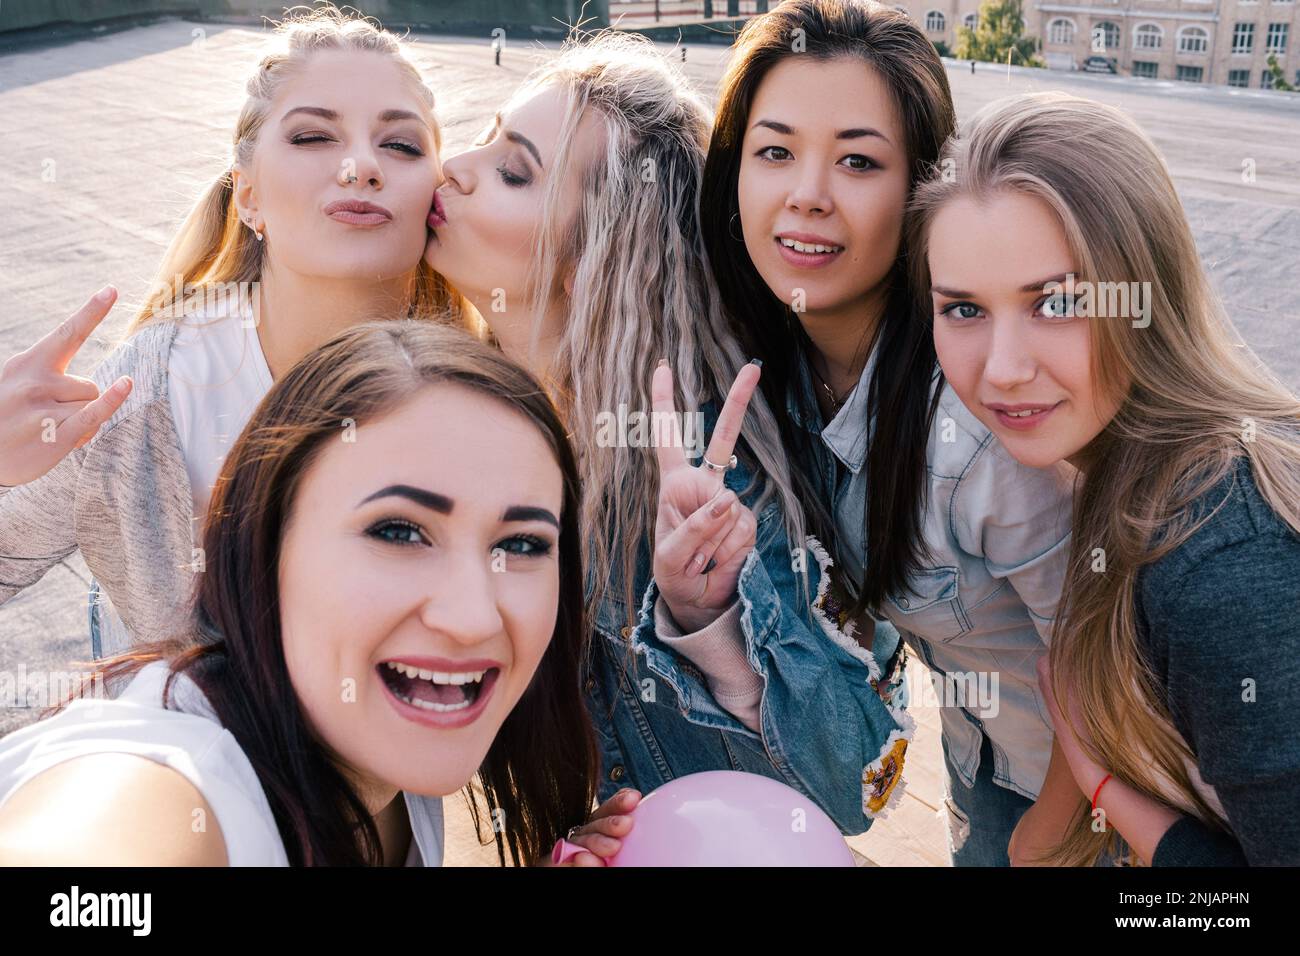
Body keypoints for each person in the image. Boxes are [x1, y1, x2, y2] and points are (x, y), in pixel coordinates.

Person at [423, 29, 911, 832]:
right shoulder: (481, 423)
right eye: (484, 140)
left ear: (592, 266)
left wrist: (707, 618)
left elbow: (850, 785)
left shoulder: (698, 482)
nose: (454, 170)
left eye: (512, 171)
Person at [0, 321, 637, 867]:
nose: (471, 616)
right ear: (266, 544)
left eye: (523, 544)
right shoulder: (163, 783)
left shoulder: (383, 763)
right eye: (398, 532)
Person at [697, 0, 1072, 865]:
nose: (807, 195)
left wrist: (1047, 844)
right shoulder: (770, 373)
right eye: (775, 151)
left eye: (858, 161)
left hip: (1079, 796)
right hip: (985, 762)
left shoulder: (977, 429)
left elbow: (1107, 670)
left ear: (921, 192)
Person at [910, 91, 1300, 866]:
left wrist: (1100, 783)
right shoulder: (1123, 466)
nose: (1004, 370)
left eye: (1057, 302)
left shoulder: (1222, 556)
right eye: (962, 309)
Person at [0, 4, 459, 657]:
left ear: (437, 196)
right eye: (311, 137)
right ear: (248, 196)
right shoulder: (154, 385)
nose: (361, 165)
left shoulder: (480, 400)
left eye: (402, 144)